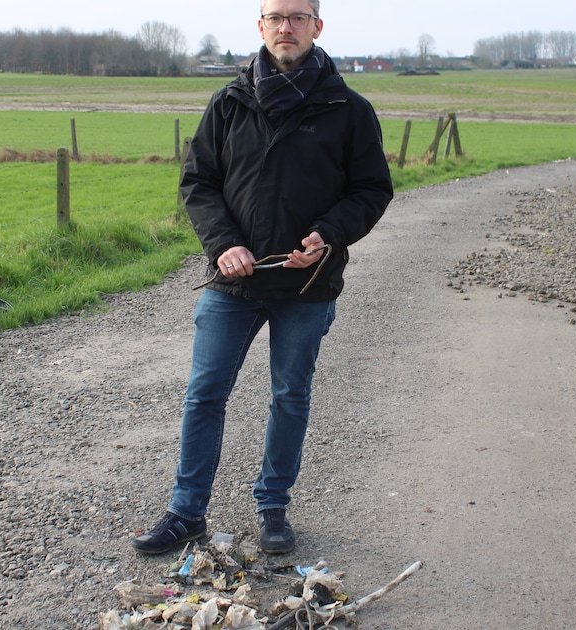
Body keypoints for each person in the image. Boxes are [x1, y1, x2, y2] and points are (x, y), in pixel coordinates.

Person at [131, 0, 393, 556]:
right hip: (233, 285)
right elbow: (198, 182)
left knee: (290, 396)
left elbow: (371, 190)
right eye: (276, 17)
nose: (286, 27)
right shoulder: (228, 103)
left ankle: (273, 508)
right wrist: (224, 244)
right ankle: (186, 512)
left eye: (298, 17)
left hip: (307, 283)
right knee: (205, 394)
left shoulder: (349, 108)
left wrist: (328, 234)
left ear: (317, 27)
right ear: (260, 27)